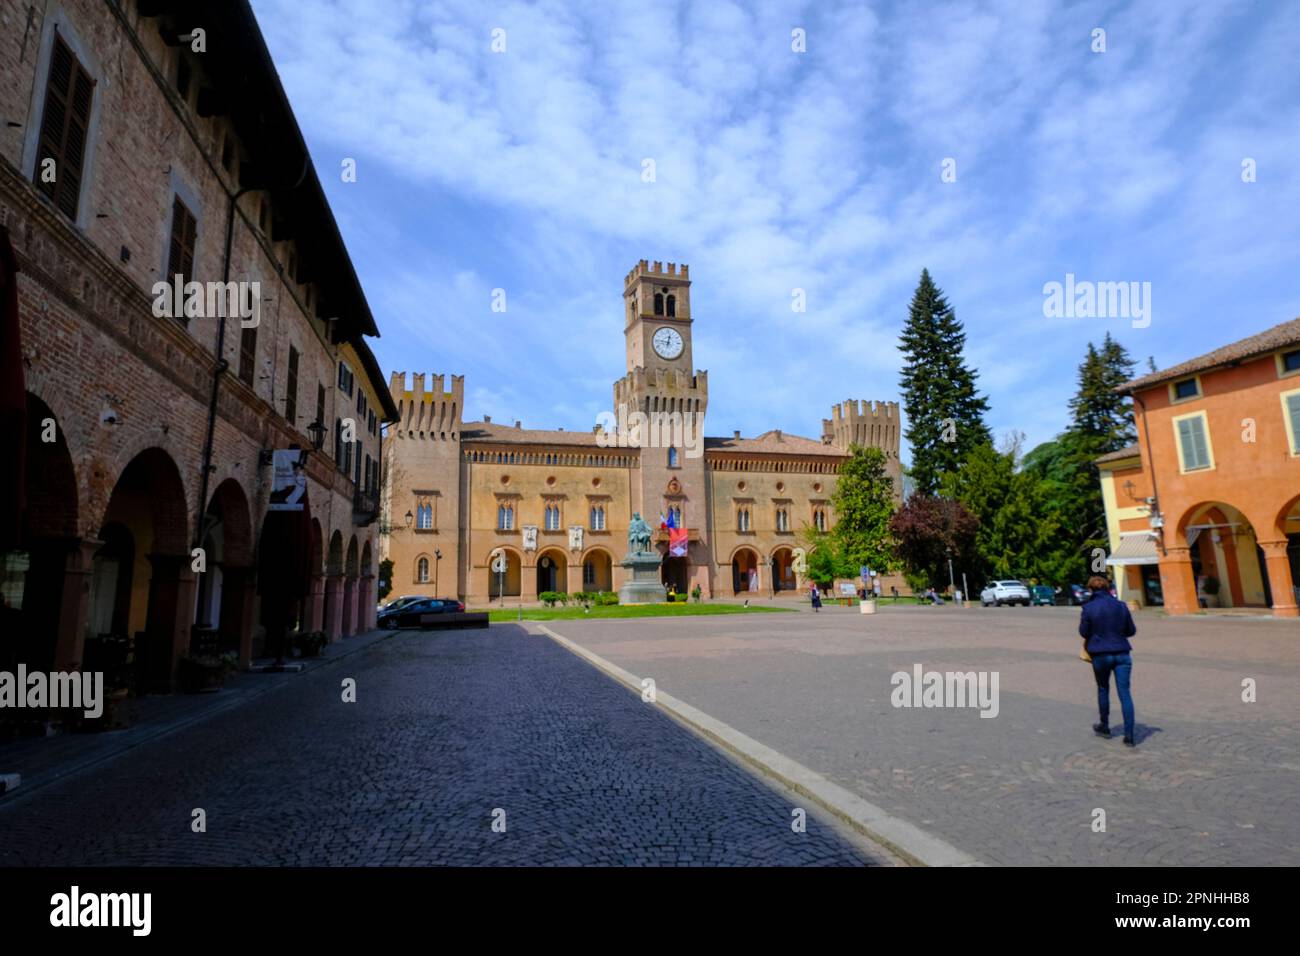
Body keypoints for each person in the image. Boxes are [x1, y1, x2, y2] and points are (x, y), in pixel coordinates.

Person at [1079, 574, 1138, 746]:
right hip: (1122, 652)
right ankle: (1129, 735)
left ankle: (1104, 725)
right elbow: (1131, 630)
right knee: (1125, 693)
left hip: (1100, 653)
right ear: (1107, 588)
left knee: (1103, 688)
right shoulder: (1121, 606)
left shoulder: (1088, 608)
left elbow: (1084, 632)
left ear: (1091, 589)